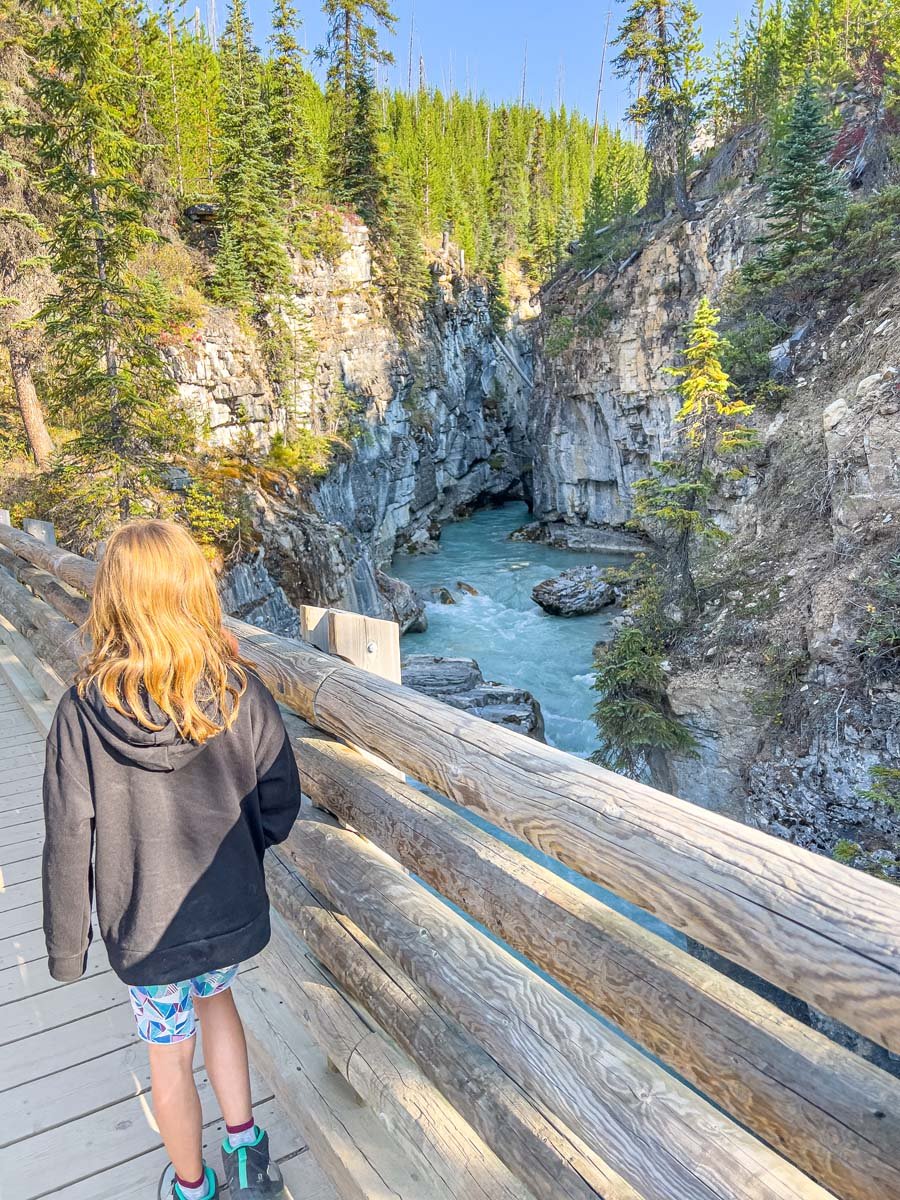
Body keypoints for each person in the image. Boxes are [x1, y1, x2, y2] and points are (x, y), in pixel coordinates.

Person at [42, 519, 303, 1200]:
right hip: (224, 910)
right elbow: (279, 798)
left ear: (113, 599)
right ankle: (246, 1153)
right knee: (219, 1005)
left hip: (146, 925)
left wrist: (68, 945)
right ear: (194, 592)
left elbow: (69, 833)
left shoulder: (81, 711)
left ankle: (192, 1185)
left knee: (169, 1053)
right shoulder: (239, 689)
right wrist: (245, 853)